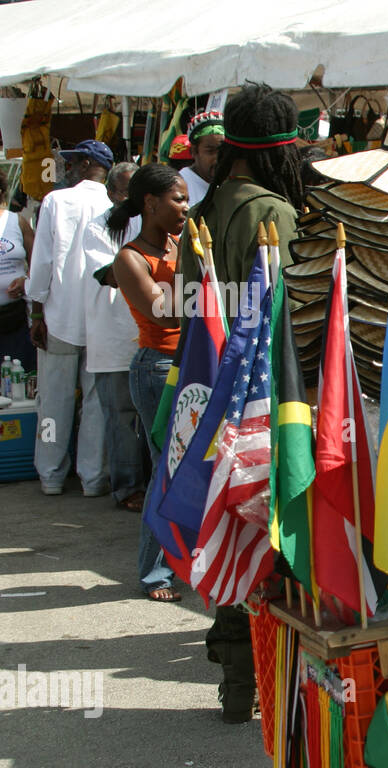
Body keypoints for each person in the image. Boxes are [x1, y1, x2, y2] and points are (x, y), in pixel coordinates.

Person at [176, 83, 299, 724]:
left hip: (212, 397)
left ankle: (235, 679)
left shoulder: (203, 211)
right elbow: (290, 316)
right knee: (271, 534)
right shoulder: (273, 213)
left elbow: (190, 309)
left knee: (225, 521)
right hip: (264, 397)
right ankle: (277, 677)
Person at [111, 164, 187, 602]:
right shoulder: (130, 259)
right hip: (157, 368)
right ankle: (155, 574)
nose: (184, 206)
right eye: (176, 199)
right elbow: (167, 313)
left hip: (188, 363)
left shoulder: (181, 246)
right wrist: (191, 268)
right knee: (165, 471)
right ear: (150, 204)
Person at [26, 139, 115, 496]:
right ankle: (93, 478)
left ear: (81, 164)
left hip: (60, 316)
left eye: (72, 161)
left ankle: (50, 474)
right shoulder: (115, 205)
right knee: (95, 403)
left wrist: (36, 309)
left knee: (54, 400)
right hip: (101, 318)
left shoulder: (56, 201)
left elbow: (43, 261)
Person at [83, 161, 146, 512]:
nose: (131, 198)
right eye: (125, 191)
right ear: (111, 193)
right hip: (114, 336)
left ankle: (152, 485)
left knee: (153, 415)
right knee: (121, 417)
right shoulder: (100, 226)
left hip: (152, 335)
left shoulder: (156, 220)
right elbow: (109, 274)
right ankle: (127, 489)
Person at [0, 167, 37, 371]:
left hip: (14, 319)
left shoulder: (17, 222)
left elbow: (38, 265)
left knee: (16, 379)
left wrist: (25, 280)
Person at [179, 109, 224, 208]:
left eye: (222, 151)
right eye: (210, 151)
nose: (217, 159)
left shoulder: (228, 186)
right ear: (194, 151)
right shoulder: (178, 187)